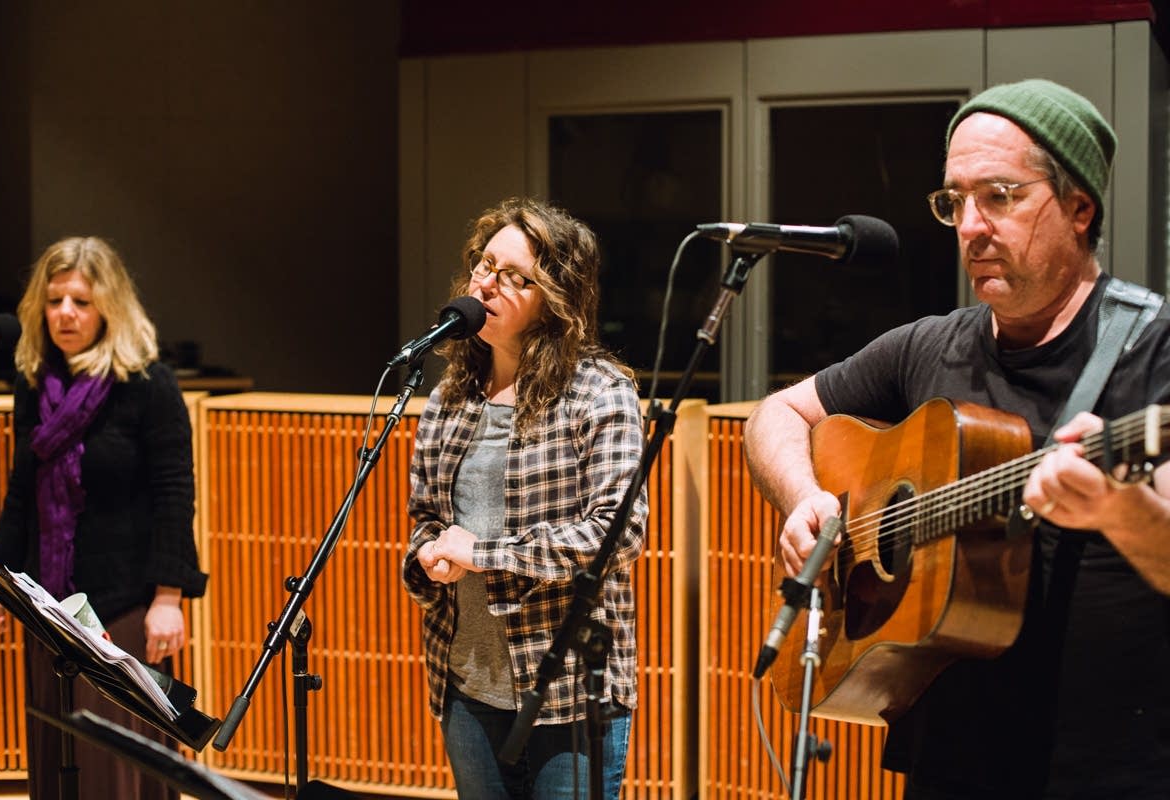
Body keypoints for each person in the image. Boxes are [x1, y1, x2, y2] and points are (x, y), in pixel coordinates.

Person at [744, 79, 1170, 798]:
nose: (970, 226)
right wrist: (804, 498)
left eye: (999, 196)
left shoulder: (1152, 350)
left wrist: (1116, 510)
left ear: (1078, 206)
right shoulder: (927, 347)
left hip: (1109, 770)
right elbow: (776, 415)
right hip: (947, 765)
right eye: (954, 201)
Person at [401, 197, 648, 800]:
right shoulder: (449, 398)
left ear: (555, 300)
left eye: (516, 278)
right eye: (486, 265)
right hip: (467, 682)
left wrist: (487, 553)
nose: (488, 284)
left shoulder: (599, 392)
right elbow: (426, 521)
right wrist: (426, 561)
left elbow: (617, 534)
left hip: (566, 689)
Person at [0, 236, 208, 799]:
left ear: (109, 307)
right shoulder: (34, 383)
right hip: (48, 603)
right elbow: (21, 489)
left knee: (117, 762)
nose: (65, 314)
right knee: (58, 752)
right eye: (54, 302)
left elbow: (175, 493)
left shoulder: (148, 383)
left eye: (80, 301)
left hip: (123, 601)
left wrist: (168, 598)